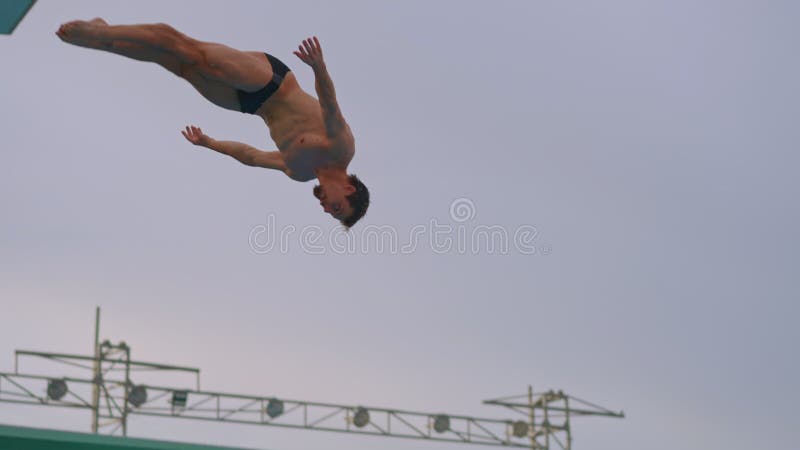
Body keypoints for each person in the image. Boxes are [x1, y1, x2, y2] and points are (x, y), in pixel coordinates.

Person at [56, 19, 369, 228]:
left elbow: (252, 157)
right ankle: (101, 33)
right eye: (337, 207)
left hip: (247, 105)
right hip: (271, 82)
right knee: (186, 49)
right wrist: (318, 67)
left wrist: (210, 143)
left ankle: (102, 39)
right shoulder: (342, 148)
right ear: (348, 188)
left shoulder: (298, 172)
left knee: (177, 65)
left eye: (330, 213)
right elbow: (330, 105)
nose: (326, 208)